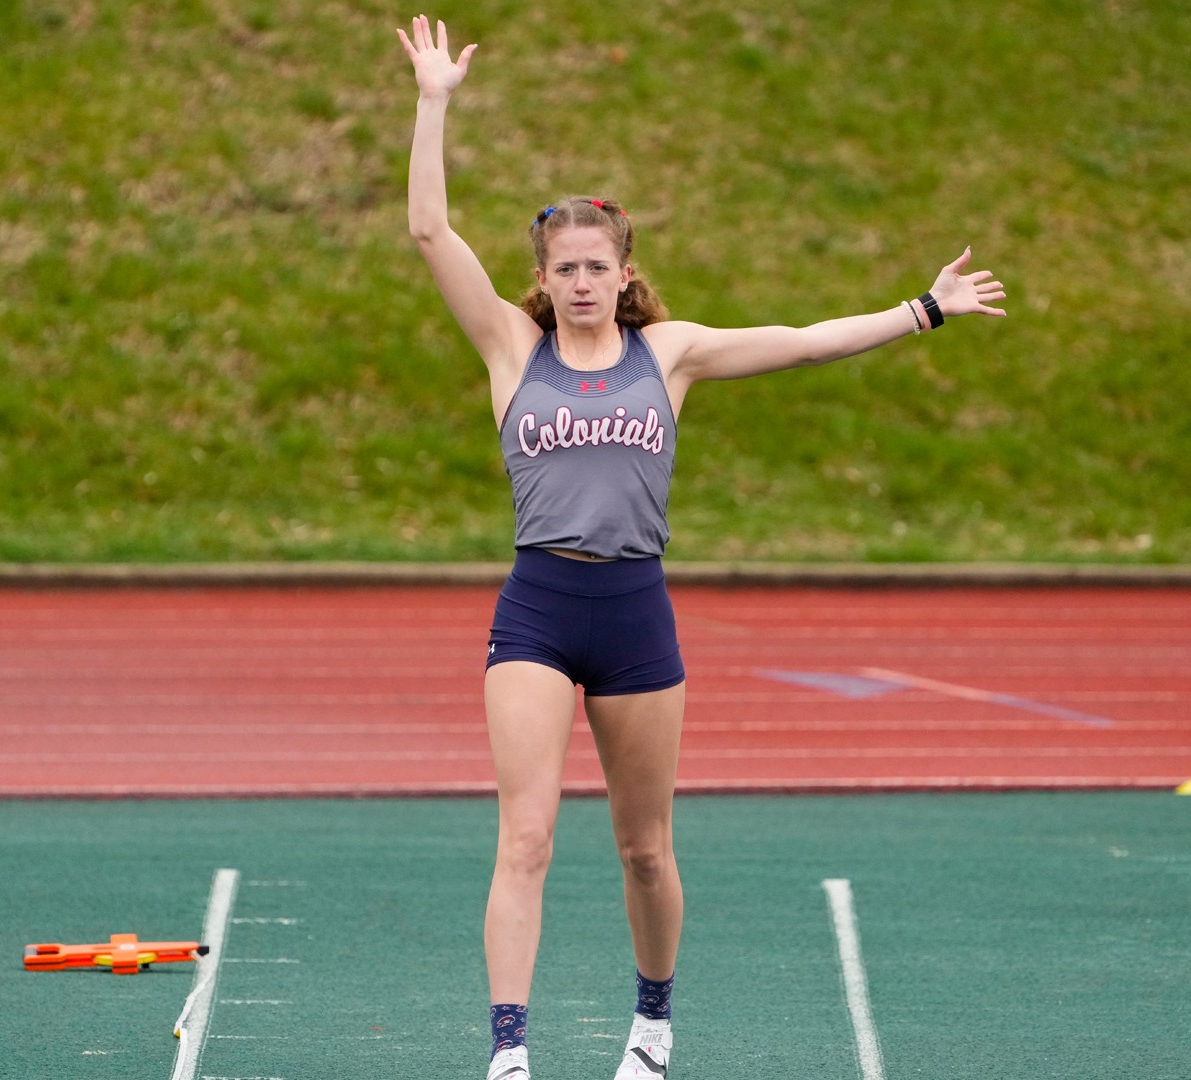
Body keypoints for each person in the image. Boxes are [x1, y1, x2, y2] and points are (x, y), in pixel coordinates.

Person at [396, 15, 1005, 1080]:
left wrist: (926, 309)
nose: (581, 281)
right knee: (525, 839)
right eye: (564, 267)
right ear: (543, 275)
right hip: (537, 608)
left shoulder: (670, 355)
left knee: (644, 849)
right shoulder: (512, 345)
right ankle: (507, 1053)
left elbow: (808, 341)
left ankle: (654, 1026)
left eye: (598, 266)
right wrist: (434, 101)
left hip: (635, 614)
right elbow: (429, 237)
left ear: (626, 271)